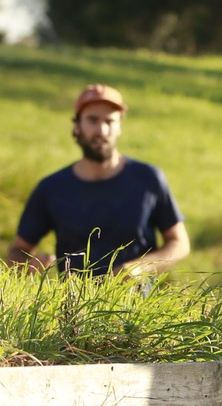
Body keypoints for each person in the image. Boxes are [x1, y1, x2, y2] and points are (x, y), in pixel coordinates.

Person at [8, 84, 190, 278]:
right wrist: (32, 263)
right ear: (77, 126)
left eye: (110, 121)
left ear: (120, 126)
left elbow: (179, 243)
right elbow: (17, 251)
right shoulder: (52, 188)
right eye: (92, 120)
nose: (102, 130)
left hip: (139, 302)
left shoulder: (148, 178)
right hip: (75, 304)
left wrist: (139, 268)